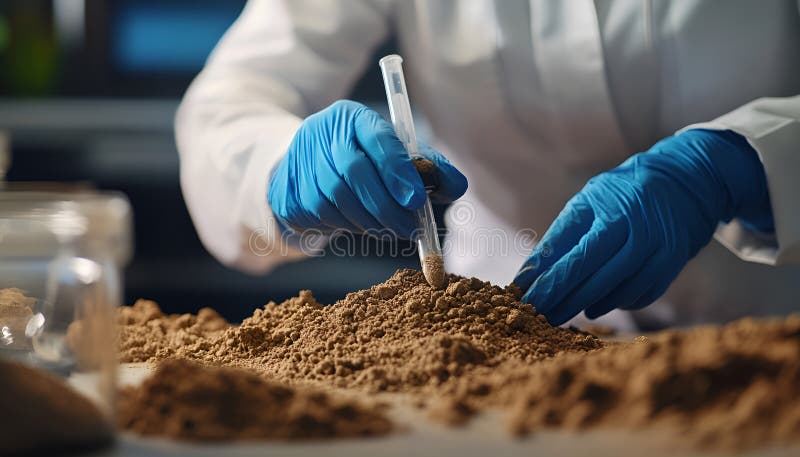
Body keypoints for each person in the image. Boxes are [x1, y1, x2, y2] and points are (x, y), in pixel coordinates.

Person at [176, 0, 800, 330]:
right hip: (491, 347)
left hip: (768, 333)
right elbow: (231, 100)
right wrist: (281, 165)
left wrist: (746, 161)